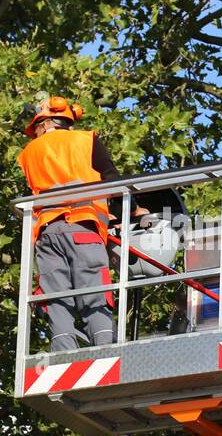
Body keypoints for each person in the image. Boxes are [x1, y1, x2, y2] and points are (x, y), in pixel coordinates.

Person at [16, 96, 146, 352]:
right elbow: (112, 181)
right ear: (67, 122)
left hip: (46, 233)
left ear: (43, 123)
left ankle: (62, 351)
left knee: (55, 296)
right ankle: (106, 349)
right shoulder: (85, 140)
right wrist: (131, 213)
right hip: (82, 227)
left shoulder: (29, 152)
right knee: (93, 290)